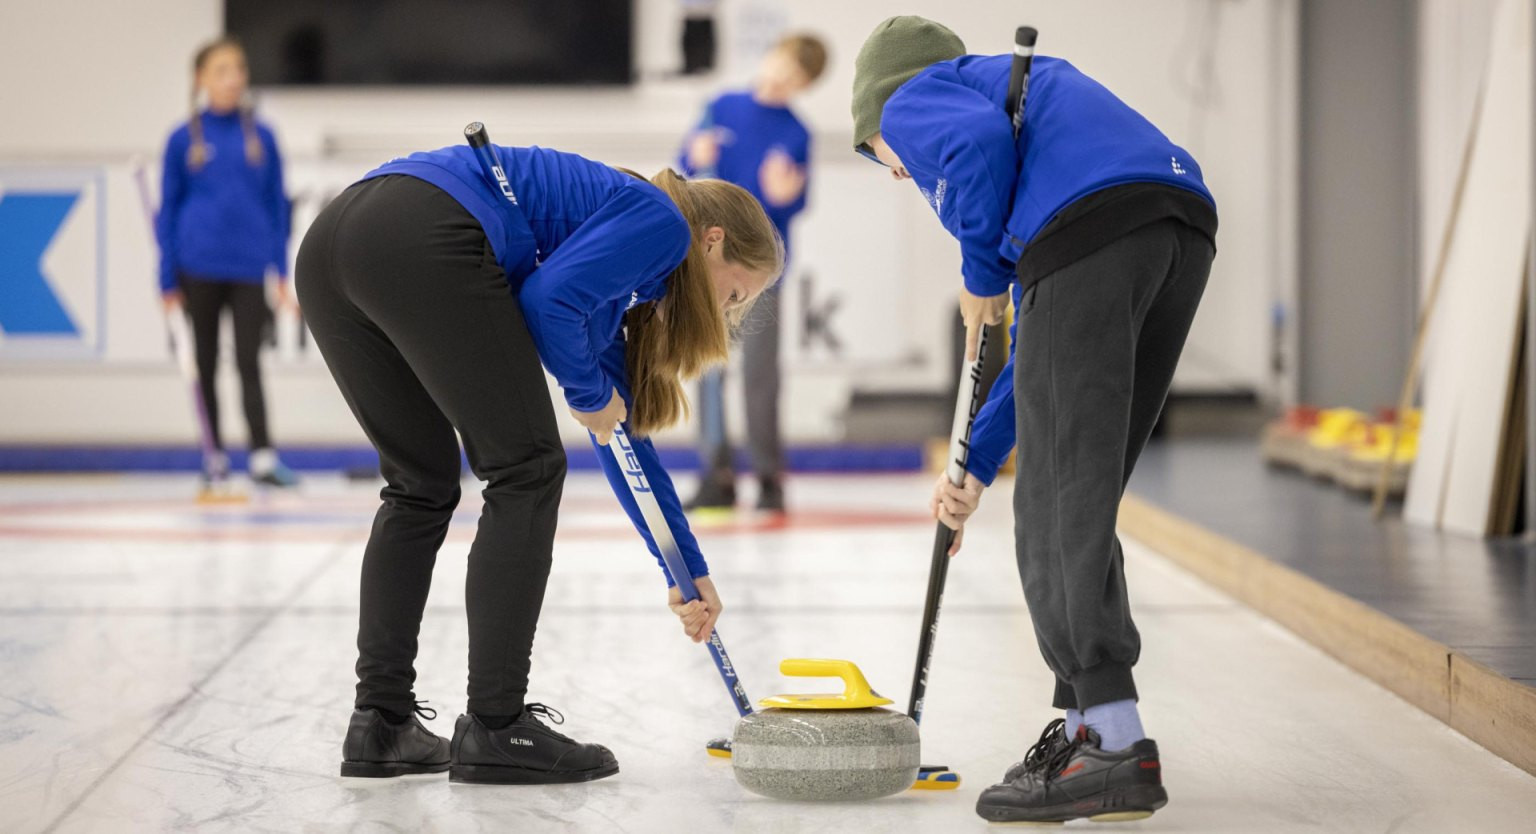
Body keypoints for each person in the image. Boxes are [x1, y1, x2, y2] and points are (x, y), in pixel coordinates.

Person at [295, 142, 782, 783]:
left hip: (337, 240)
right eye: (736, 293)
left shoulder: (619, 267)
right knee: (527, 468)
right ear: (712, 242)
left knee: (420, 484)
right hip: (420, 226)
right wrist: (587, 393)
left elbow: (624, 441)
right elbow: (547, 302)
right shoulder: (661, 223)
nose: (727, 312)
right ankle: (496, 726)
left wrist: (686, 570)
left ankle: (380, 724)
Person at [851, 16, 1218, 824]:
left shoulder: (916, 96)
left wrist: (980, 272)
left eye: (874, 152)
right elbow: (1038, 367)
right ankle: (1091, 726)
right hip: (1177, 223)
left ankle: (1112, 745)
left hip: (1094, 228)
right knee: (1077, 487)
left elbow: (972, 144)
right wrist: (973, 467)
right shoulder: (1033, 131)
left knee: (1055, 504)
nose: (892, 171)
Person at [677, 33, 827, 512]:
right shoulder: (721, 106)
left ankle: (768, 474)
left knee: (761, 372)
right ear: (768, 56)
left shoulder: (797, 132)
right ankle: (715, 472)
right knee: (709, 367)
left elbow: (796, 200)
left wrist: (784, 195)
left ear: (805, 85)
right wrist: (693, 158)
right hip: (711, 263)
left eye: (795, 77)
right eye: (782, 65)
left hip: (762, 270)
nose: (782, 79)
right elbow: (687, 168)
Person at [156, 37, 298, 488]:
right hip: (196, 266)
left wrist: (279, 267)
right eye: (221, 70)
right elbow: (169, 210)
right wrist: (165, 277)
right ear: (201, 79)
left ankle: (261, 455)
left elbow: (277, 205)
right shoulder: (182, 140)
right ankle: (213, 453)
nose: (233, 78)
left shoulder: (264, 137)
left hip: (247, 266)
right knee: (204, 360)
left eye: (238, 68)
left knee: (249, 360)